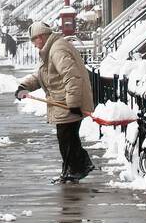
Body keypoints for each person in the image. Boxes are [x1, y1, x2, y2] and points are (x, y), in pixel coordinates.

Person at [15, 21, 95, 183]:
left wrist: (73, 104)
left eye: (34, 40)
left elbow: (72, 77)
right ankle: (73, 170)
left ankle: (78, 168)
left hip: (67, 102)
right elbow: (42, 75)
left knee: (67, 139)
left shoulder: (57, 50)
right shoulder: (50, 50)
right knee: (67, 139)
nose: (33, 44)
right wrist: (24, 86)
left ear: (42, 36)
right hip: (63, 101)